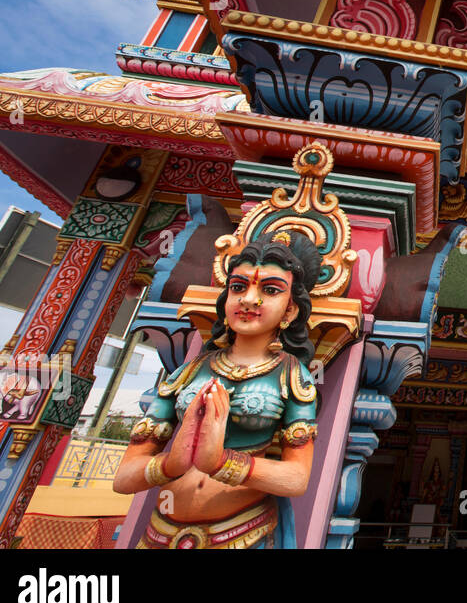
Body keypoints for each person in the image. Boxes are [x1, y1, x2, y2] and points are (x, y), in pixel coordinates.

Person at [113, 230, 321, 549]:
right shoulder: (191, 371)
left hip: (243, 533)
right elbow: (124, 478)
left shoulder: (293, 376)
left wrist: (221, 462)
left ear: (291, 311)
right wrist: (172, 463)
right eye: (238, 287)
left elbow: (296, 479)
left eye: (270, 289)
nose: (249, 299)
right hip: (160, 532)